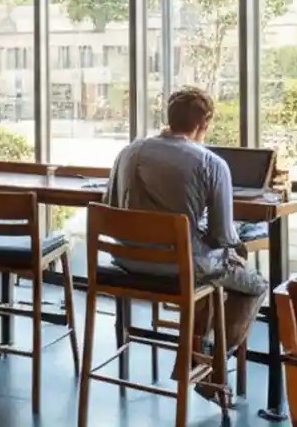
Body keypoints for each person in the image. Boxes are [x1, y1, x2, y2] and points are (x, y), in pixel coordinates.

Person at [103, 87, 266, 398]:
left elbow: (109, 207)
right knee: (253, 281)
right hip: (178, 269)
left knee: (206, 264)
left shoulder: (127, 152)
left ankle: (193, 356)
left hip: (125, 262)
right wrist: (236, 237)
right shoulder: (211, 163)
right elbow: (222, 236)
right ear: (204, 122)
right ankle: (212, 368)